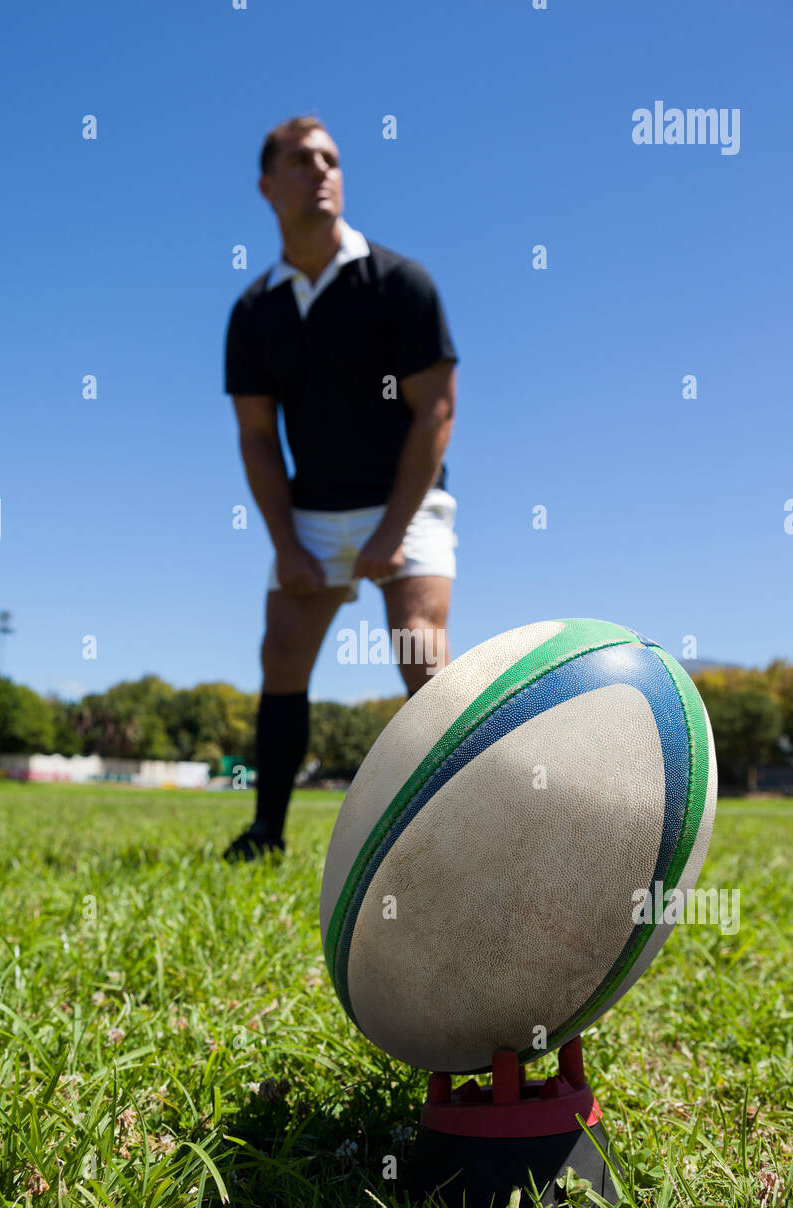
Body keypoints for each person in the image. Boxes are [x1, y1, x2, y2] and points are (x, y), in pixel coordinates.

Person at [222, 115, 459, 862]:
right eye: (299, 160)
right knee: (282, 653)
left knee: (420, 649)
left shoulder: (400, 282)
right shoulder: (255, 310)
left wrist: (393, 530)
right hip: (312, 511)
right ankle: (266, 833)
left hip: (407, 499)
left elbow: (437, 411)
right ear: (267, 186)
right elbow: (258, 437)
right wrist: (286, 540)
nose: (319, 170)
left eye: (330, 159)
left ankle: (459, 833)